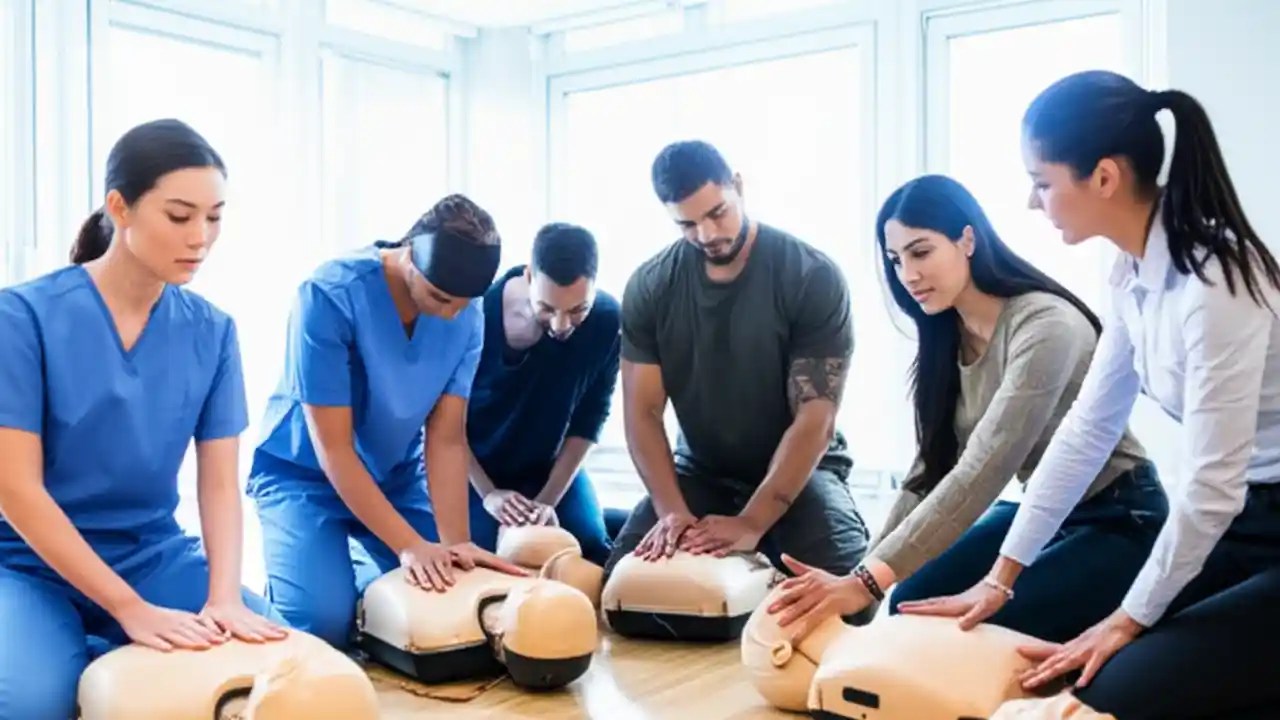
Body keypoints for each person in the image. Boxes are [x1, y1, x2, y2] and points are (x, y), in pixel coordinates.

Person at [904, 70, 1280, 720]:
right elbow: (1087, 431)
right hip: (1242, 524)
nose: (1031, 202)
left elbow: (1211, 487)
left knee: (1112, 690)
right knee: (1097, 674)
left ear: (1103, 177)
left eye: (1041, 182)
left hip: (1246, 514)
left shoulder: (1214, 283)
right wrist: (1001, 581)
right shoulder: (1129, 270)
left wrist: (1126, 621)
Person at [765, 174, 1167, 644]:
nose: (908, 274)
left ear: (968, 240)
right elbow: (929, 472)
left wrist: (863, 582)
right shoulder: (946, 337)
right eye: (895, 260)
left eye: (921, 252)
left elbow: (983, 468)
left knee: (962, 629)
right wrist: (859, 592)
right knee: (910, 600)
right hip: (1038, 516)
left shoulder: (1046, 325)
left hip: (1120, 517)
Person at [0, 118, 287, 719]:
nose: (201, 237)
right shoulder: (21, 317)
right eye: (179, 216)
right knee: (32, 700)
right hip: (25, 562)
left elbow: (217, 483)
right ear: (120, 208)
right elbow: (16, 492)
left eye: (214, 216)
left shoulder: (213, 331)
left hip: (148, 552)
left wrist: (223, 596)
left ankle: (104, 650)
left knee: (278, 657)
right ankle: (94, 646)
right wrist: (130, 608)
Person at [247, 193, 527, 650]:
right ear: (409, 256)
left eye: (463, 303)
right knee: (322, 626)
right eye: (441, 297)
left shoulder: (465, 311)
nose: (451, 313)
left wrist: (456, 543)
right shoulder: (328, 295)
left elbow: (447, 438)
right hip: (304, 478)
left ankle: (352, 570)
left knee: (451, 604)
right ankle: (320, 577)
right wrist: (409, 544)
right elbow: (334, 448)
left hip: (394, 476)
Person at [606, 139, 870, 596]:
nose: (707, 234)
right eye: (687, 224)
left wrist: (752, 521)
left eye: (717, 213)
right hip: (699, 474)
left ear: (739, 187)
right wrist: (671, 512)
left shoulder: (810, 275)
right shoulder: (651, 286)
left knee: (846, 600)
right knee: (622, 590)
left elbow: (816, 419)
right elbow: (642, 413)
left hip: (803, 472)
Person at [466, 222, 620, 566]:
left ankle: (597, 517)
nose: (561, 325)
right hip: (474, 470)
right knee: (490, 555)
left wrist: (548, 500)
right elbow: (442, 423)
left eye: (578, 310)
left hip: (545, 467)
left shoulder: (607, 321)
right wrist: (489, 494)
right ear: (529, 276)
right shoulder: (475, 314)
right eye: (548, 309)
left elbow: (590, 418)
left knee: (589, 546)